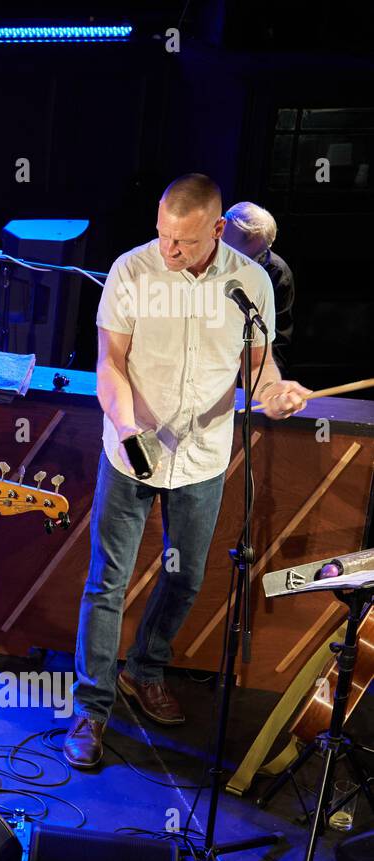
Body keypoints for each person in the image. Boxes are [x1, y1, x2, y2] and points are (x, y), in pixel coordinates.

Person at [65, 174, 311, 770]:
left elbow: (260, 368)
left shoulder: (250, 283)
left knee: (187, 576)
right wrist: (126, 427)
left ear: (219, 230)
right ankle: (92, 708)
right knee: (109, 580)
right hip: (132, 452)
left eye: (185, 242)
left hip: (203, 456)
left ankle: (144, 670)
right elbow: (110, 363)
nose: (169, 251)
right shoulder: (131, 272)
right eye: (164, 236)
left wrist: (276, 393)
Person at [223, 201, 296, 371]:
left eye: (256, 256)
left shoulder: (277, 273)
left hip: (247, 370)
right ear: (221, 230)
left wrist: (268, 385)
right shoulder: (197, 259)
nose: (247, 264)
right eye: (240, 255)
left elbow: (277, 342)